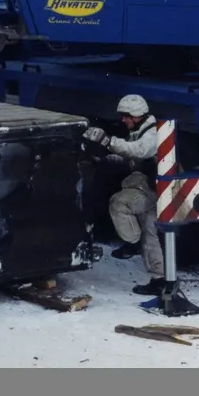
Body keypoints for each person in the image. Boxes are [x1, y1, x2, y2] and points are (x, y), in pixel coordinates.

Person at [82, 94, 165, 296]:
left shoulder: (152, 133)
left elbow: (139, 150)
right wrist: (106, 160)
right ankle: (160, 280)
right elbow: (131, 157)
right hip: (154, 189)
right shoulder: (139, 131)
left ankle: (131, 243)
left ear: (136, 116)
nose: (123, 120)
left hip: (153, 189)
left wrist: (107, 141)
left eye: (126, 116)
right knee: (150, 234)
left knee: (119, 203)